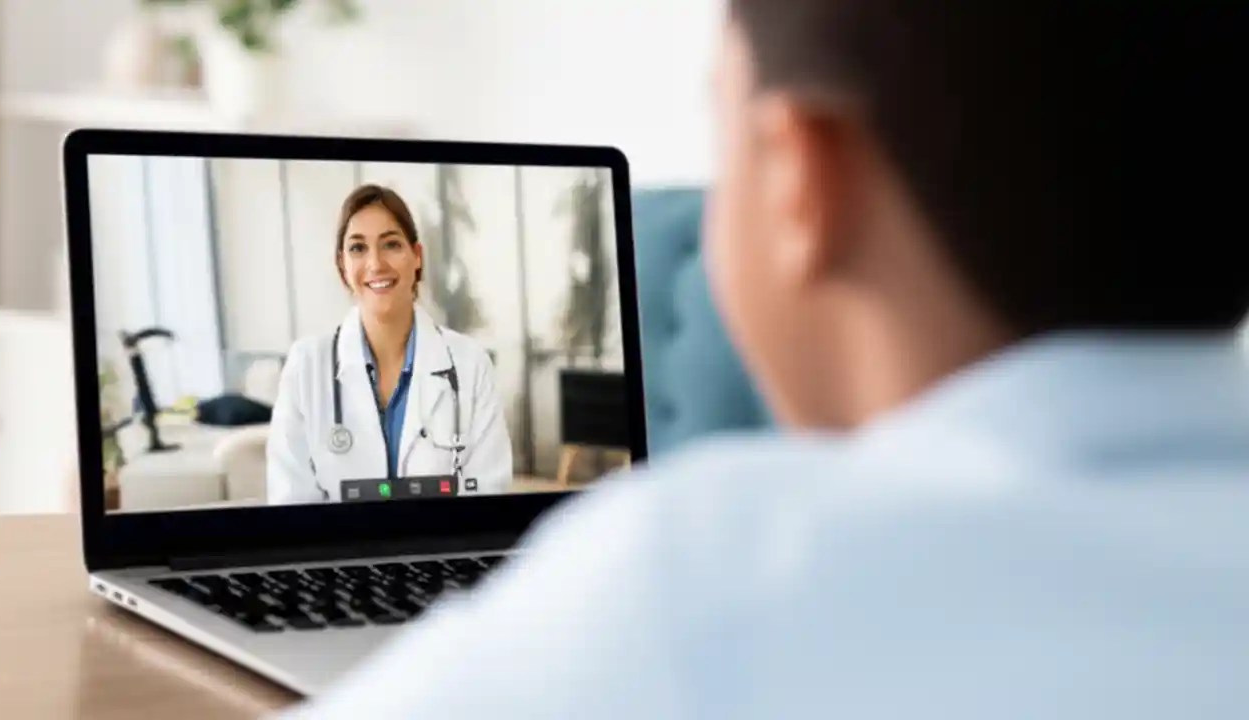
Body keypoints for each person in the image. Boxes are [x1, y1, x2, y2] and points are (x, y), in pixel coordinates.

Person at [284, 2, 1247, 716]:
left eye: (721, 119)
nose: (375, 263)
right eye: (357, 249)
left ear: (797, 177)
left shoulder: (707, 577)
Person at [266, 184, 512, 504]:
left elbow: (489, 498)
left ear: (417, 257)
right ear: (342, 264)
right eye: (358, 248)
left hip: (439, 546)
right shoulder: (306, 365)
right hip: (339, 551)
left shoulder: (470, 364)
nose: (376, 263)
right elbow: (290, 504)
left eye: (391, 244)